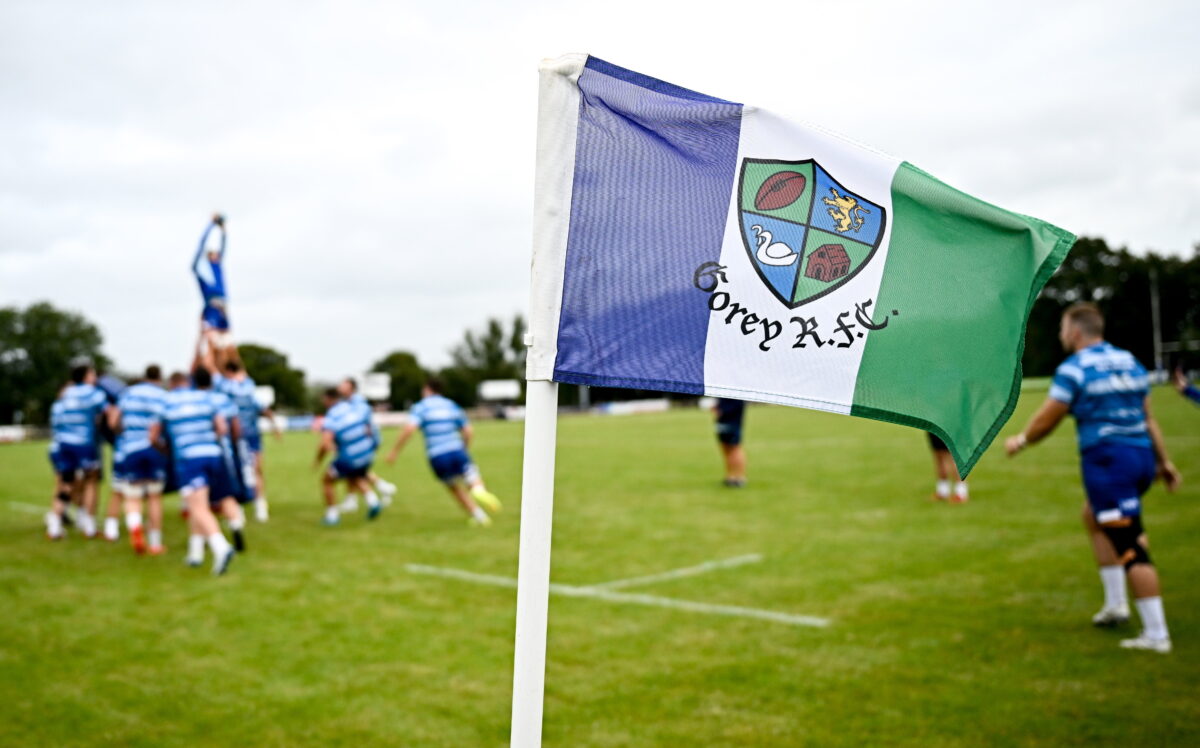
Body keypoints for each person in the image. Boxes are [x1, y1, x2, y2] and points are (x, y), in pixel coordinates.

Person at [1005, 302, 1181, 653]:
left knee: (1129, 543)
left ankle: (1156, 634)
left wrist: (1022, 440)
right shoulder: (1129, 361)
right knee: (1093, 516)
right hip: (1141, 457)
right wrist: (1165, 462)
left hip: (1109, 462)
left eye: (1061, 329)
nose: (1060, 335)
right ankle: (1116, 605)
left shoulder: (1075, 368)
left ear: (1074, 331)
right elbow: (1148, 417)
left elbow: (1049, 417)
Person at [150, 370, 237, 575]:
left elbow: (153, 436)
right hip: (213, 454)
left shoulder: (166, 402)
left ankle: (220, 547)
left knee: (197, 507)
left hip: (189, 458)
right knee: (202, 503)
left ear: (171, 384)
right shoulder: (205, 398)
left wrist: (168, 450)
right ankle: (195, 553)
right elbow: (222, 428)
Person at [385, 378, 500, 526]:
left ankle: (479, 516)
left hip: (437, 454)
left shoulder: (421, 407)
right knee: (471, 477)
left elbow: (409, 429)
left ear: (427, 389)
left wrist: (395, 451)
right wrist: (464, 448)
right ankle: (479, 490)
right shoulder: (450, 405)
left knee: (453, 486)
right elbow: (468, 431)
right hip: (457, 449)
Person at [44, 363, 113, 539]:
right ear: (87, 376)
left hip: (62, 444)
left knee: (66, 484)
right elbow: (108, 412)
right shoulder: (93, 393)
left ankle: (54, 525)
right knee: (91, 480)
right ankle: (89, 526)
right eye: (93, 374)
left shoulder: (65, 395)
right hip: (83, 443)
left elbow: (56, 422)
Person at [210, 356, 282, 523]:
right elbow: (264, 409)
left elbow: (212, 368)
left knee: (235, 473)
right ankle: (261, 507)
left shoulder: (225, 387)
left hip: (234, 437)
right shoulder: (249, 387)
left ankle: (238, 510)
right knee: (257, 471)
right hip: (253, 435)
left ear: (227, 372)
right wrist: (276, 428)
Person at [110, 366, 169, 555]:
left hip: (130, 448)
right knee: (154, 496)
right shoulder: (162, 395)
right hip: (153, 448)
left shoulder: (128, 394)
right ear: (159, 378)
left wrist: (125, 432)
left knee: (132, 496)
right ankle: (155, 543)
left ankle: (135, 528)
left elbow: (113, 422)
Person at [315, 388, 383, 526]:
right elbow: (368, 426)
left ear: (329, 399)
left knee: (327, 480)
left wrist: (318, 460)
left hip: (350, 456)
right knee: (355, 476)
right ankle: (373, 501)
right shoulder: (351, 408)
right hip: (367, 451)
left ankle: (332, 516)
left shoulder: (332, 416)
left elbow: (325, 443)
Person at [334, 377, 396, 512]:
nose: (340, 386)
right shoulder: (348, 403)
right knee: (356, 472)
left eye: (343, 384)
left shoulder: (357, 403)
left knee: (354, 469)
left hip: (362, 441)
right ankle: (379, 489)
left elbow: (362, 424)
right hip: (356, 441)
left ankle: (378, 491)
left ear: (351, 388)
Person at [192, 213, 237, 364]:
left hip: (223, 307)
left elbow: (224, 244)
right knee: (209, 343)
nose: (215, 256)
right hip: (210, 307)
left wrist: (223, 229)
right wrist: (211, 225)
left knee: (227, 345)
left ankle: (226, 372)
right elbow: (200, 246)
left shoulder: (218, 266)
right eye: (212, 254)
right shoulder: (202, 270)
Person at [713, 398, 747, 487]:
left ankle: (740, 477)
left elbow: (736, 406)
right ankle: (730, 476)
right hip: (721, 423)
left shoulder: (736, 392)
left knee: (735, 449)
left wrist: (722, 411)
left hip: (732, 423)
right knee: (725, 449)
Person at [927, 432, 968, 503]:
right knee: (938, 455)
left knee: (951, 456)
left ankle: (961, 493)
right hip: (934, 424)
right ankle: (943, 491)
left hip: (949, 425)